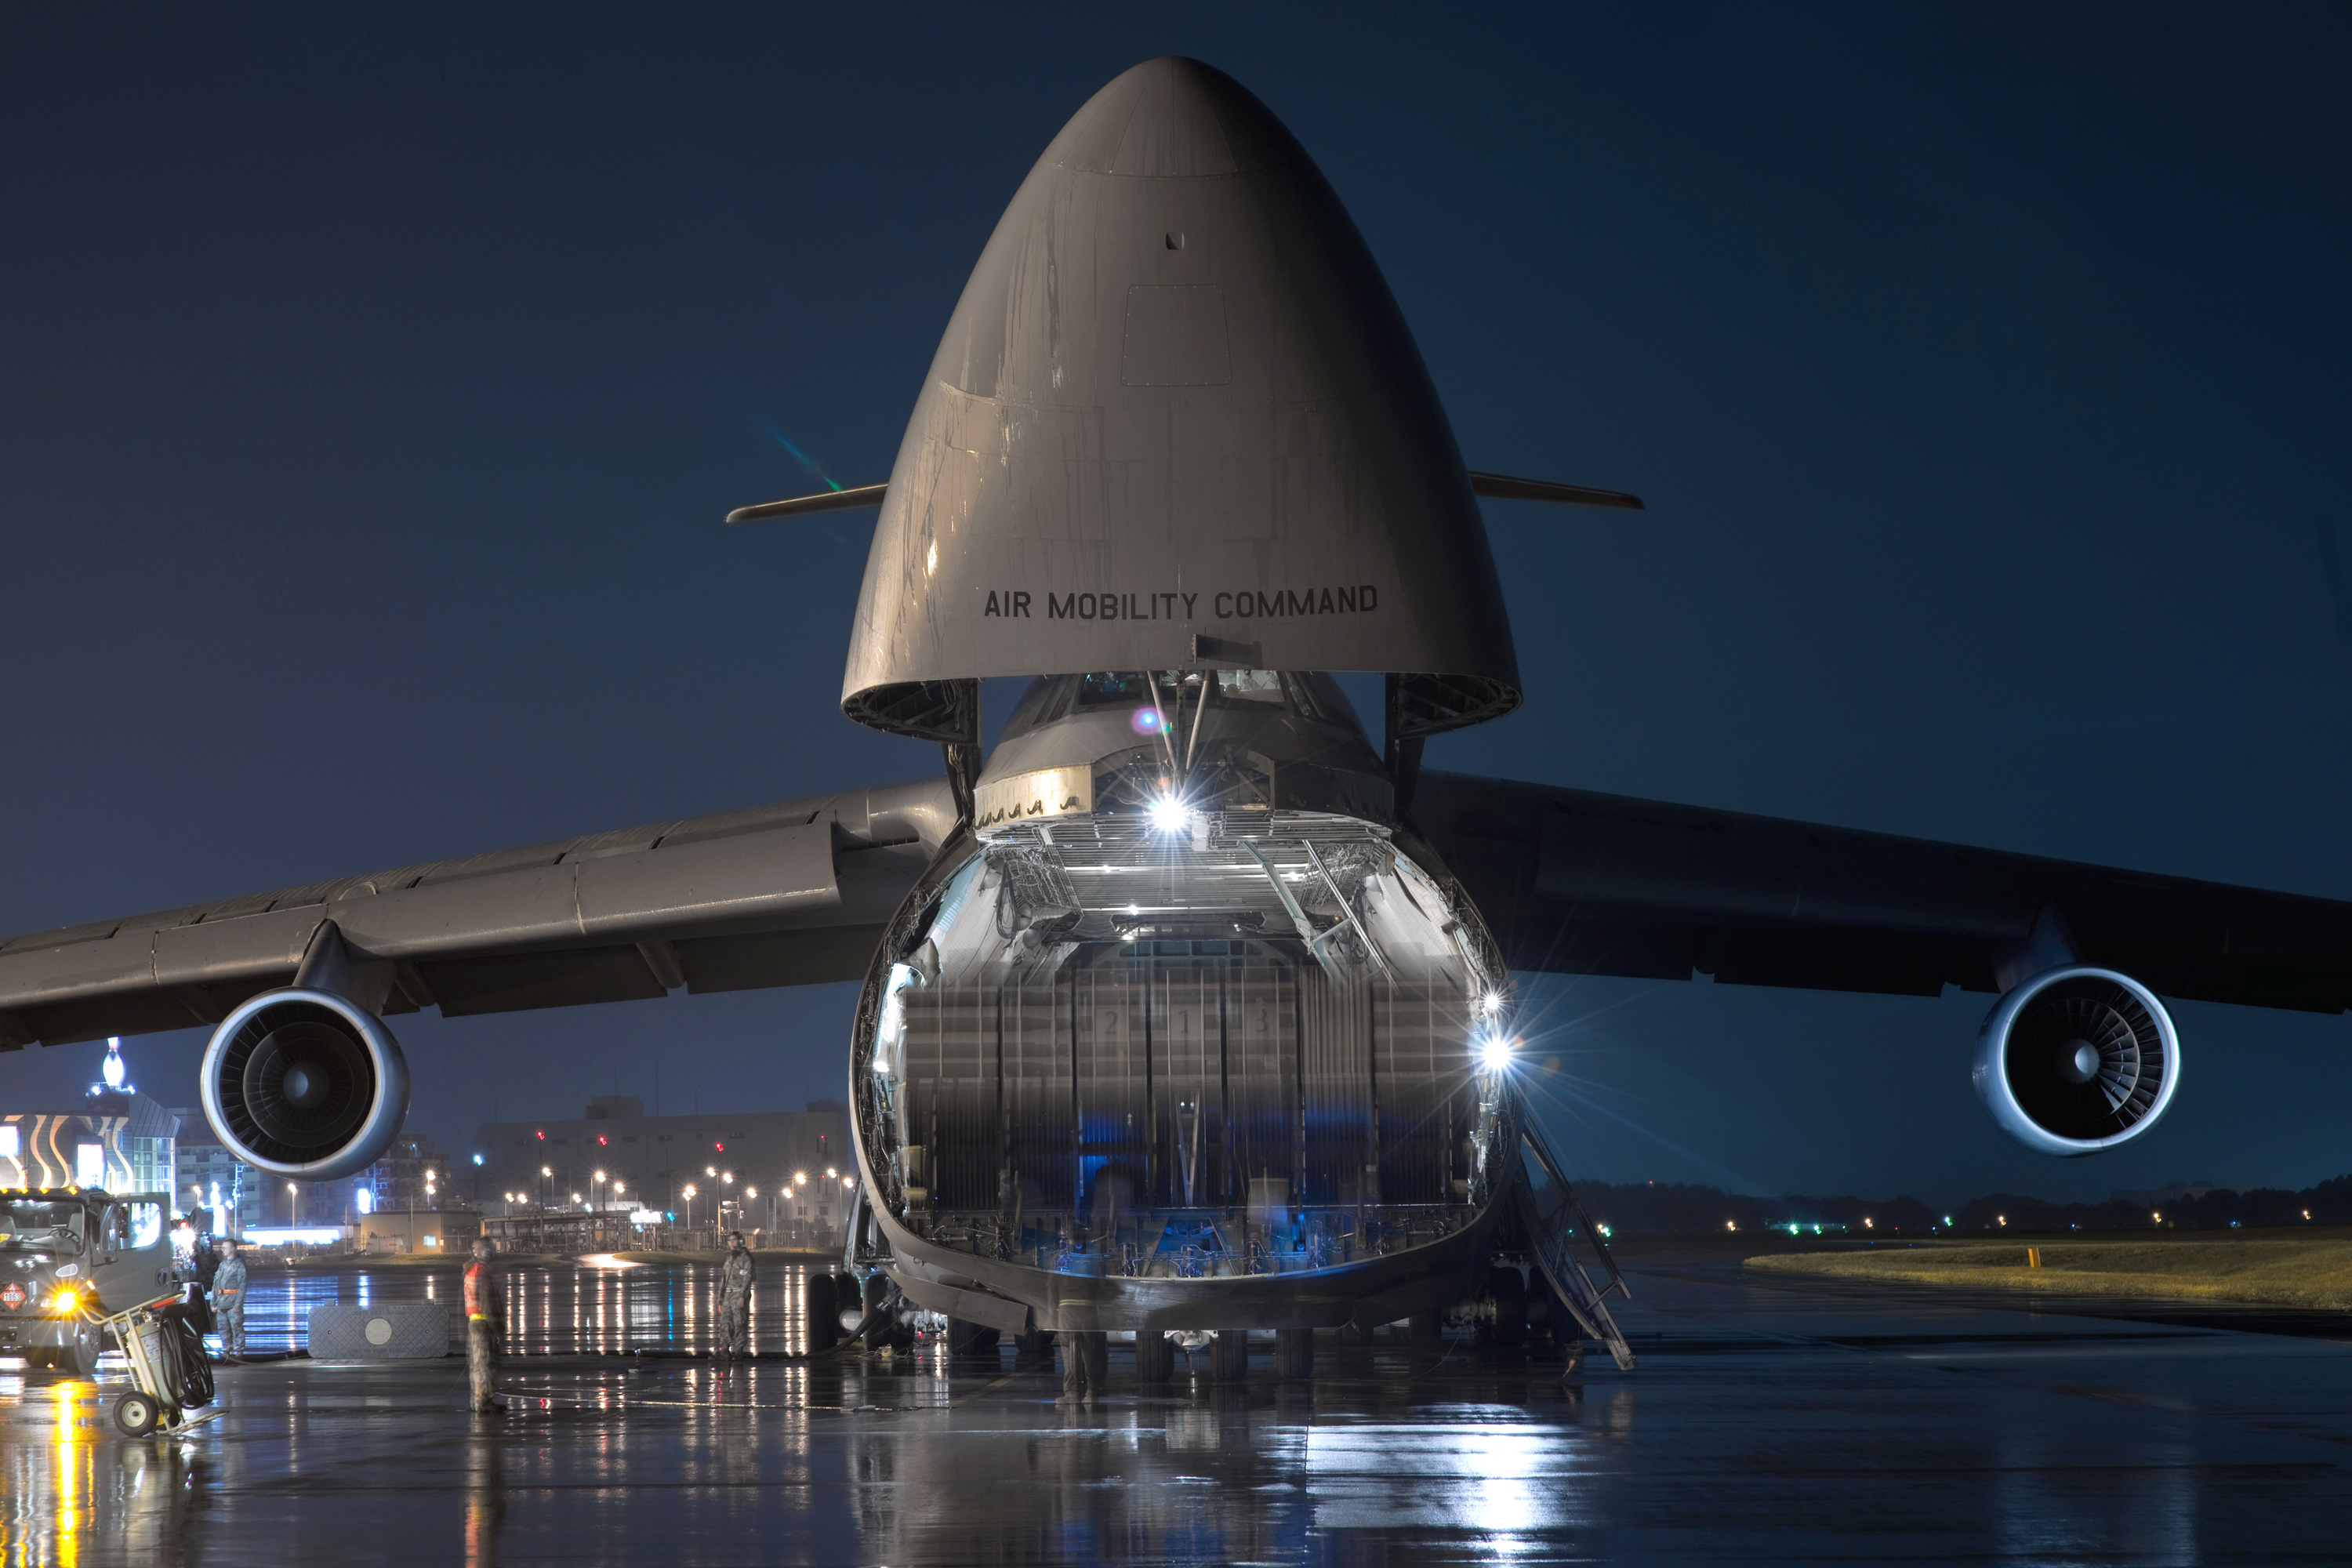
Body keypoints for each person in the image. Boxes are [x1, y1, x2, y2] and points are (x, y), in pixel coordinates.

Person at [464, 1236, 506, 1412]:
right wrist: (497, 1330)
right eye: (491, 1249)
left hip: (475, 1323)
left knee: (479, 1364)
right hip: (484, 1325)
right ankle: (483, 1402)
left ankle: (480, 1400)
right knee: (485, 1364)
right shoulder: (482, 1272)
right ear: (486, 1251)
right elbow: (487, 1303)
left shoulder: (472, 1269)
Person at [717, 1232, 754, 1358]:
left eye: (734, 1240)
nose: (732, 1243)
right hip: (728, 1294)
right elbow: (724, 1277)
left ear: (740, 1241)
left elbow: (748, 1278)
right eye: (730, 1241)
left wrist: (743, 1296)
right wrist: (721, 1295)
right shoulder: (730, 1259)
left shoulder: (746, 1259)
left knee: (740, 1322)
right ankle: (725, 1349)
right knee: (726, 1322)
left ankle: (739, 1350)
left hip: (738, 1293)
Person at [211, 1240, 248, 1359]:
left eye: (225, 1248)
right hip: (221, 1303)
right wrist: (213, 1303)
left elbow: (242, 1286)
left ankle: (239, 1351)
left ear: (233, 1249)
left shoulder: (239, 1266)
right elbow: (216, 1285)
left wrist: (238, 1304)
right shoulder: (223, 1265)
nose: (223, 1250)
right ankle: (226, 1349)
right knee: (222, 1328)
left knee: (236, 1327)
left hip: (232, 1304)